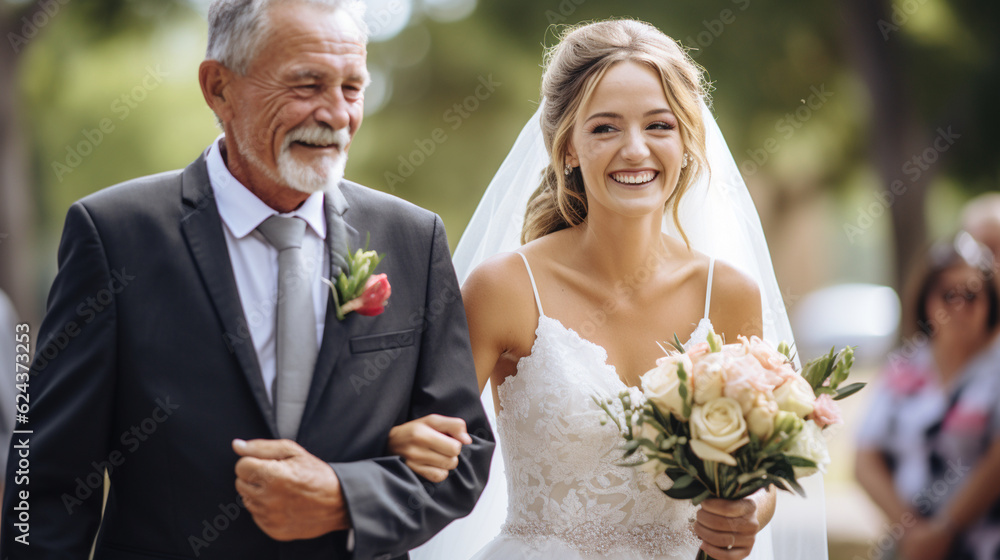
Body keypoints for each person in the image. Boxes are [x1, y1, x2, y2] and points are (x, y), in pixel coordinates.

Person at [1, 1, 493, 558]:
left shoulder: (412, 237)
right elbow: (40, 482)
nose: (336, 114)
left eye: (352, 89)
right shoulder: (114, 235)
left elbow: (465, 455)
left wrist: (345, 497)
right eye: (307, 85)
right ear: (219, 88)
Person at [388, 19, 831, 560]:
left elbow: (754, 470)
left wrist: (750, 511)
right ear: (568, 149)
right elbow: (433, 448)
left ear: (688, 141)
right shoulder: (505, 288)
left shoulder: (730, 293)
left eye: (659, 125)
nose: (635, 149)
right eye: (605, 129)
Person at [855, 233, 1000, 560]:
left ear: (991, 301)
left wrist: (945, 529)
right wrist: (912, 530)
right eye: (949, 294)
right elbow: (865, 459)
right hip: (912, 546)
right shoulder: (903, 366)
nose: (960, 307)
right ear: (926, 299)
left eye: (973, 295)